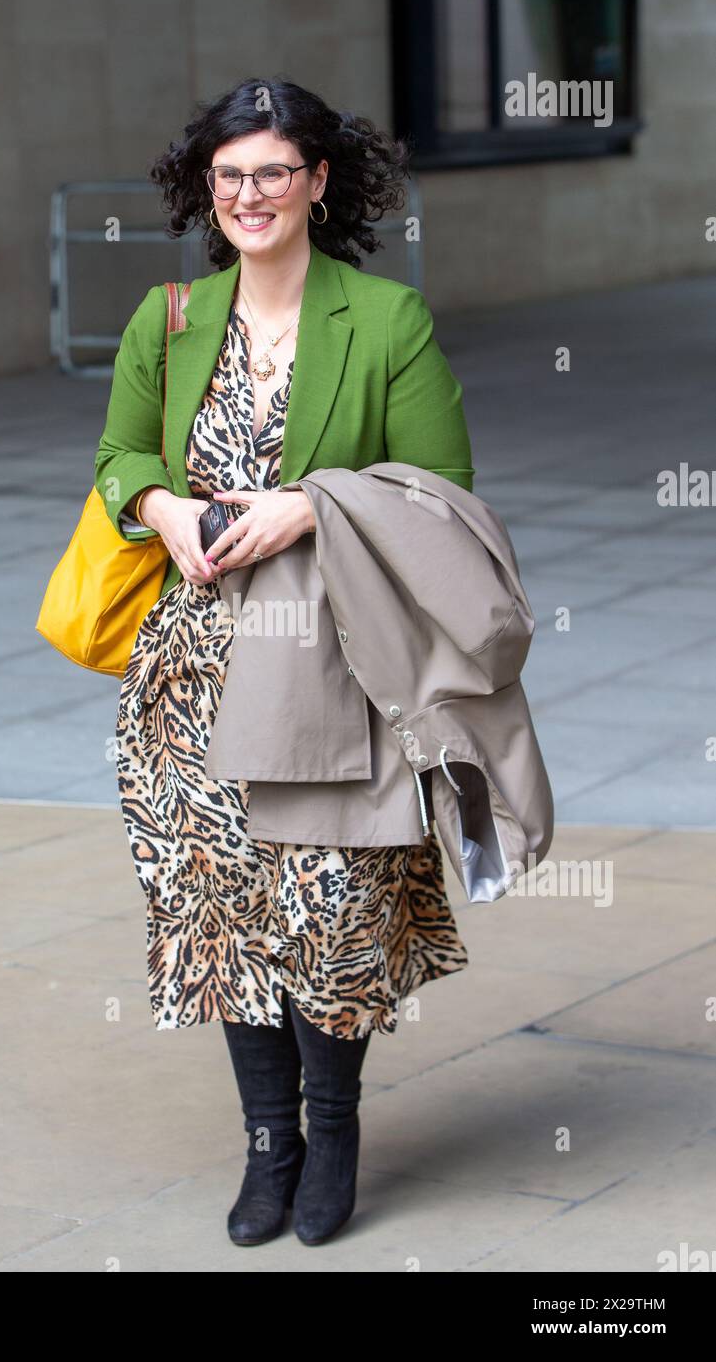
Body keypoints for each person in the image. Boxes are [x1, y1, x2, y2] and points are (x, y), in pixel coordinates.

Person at [94, 77, 475, 1247]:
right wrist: (159, 506)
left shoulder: (386, 320)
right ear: (204, 191)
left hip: (328, 666)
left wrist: (312, 506)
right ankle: (270, 1142)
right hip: (191, 675)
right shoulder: (167, 319)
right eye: (229, 176)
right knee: (222, 910)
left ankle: (335, 1127)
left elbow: (442, 491)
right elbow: (118, 460)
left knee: (330, 906)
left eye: (272, 171)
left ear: (317, 182)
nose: (249, 194)